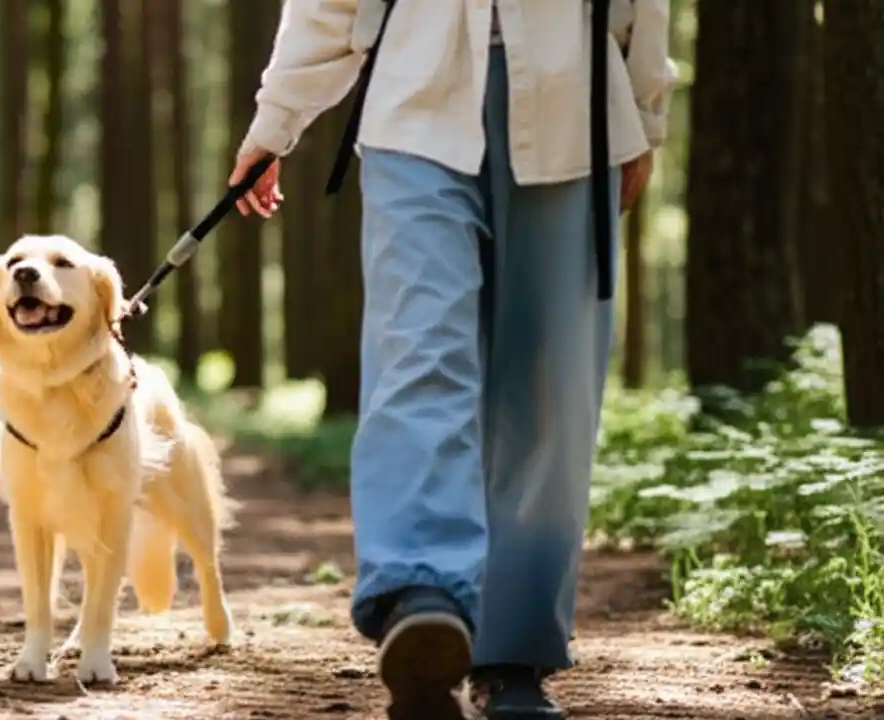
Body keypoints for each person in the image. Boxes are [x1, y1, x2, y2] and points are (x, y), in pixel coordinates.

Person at [228, 1, 676, 718]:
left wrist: (643, 113)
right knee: (417, 353)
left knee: (549, 386)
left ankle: (513, 657)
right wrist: (277, 119)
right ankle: (422, 594)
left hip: (576, 109)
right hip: (414, 107)